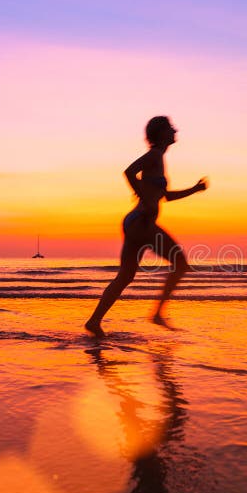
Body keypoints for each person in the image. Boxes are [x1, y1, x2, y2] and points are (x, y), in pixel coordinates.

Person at [85, 116, 207, 336]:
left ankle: (94, 321)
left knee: (125, 276)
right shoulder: (154, 155)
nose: (175, 130)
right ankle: (158, 313)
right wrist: (144, 197)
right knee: (180, 262)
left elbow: (166, 197)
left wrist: (194, 189)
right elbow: (129, 172)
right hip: (142, 223)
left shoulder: (159, 158)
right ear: (160, 133)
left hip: (135, 222)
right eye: (170, 128)